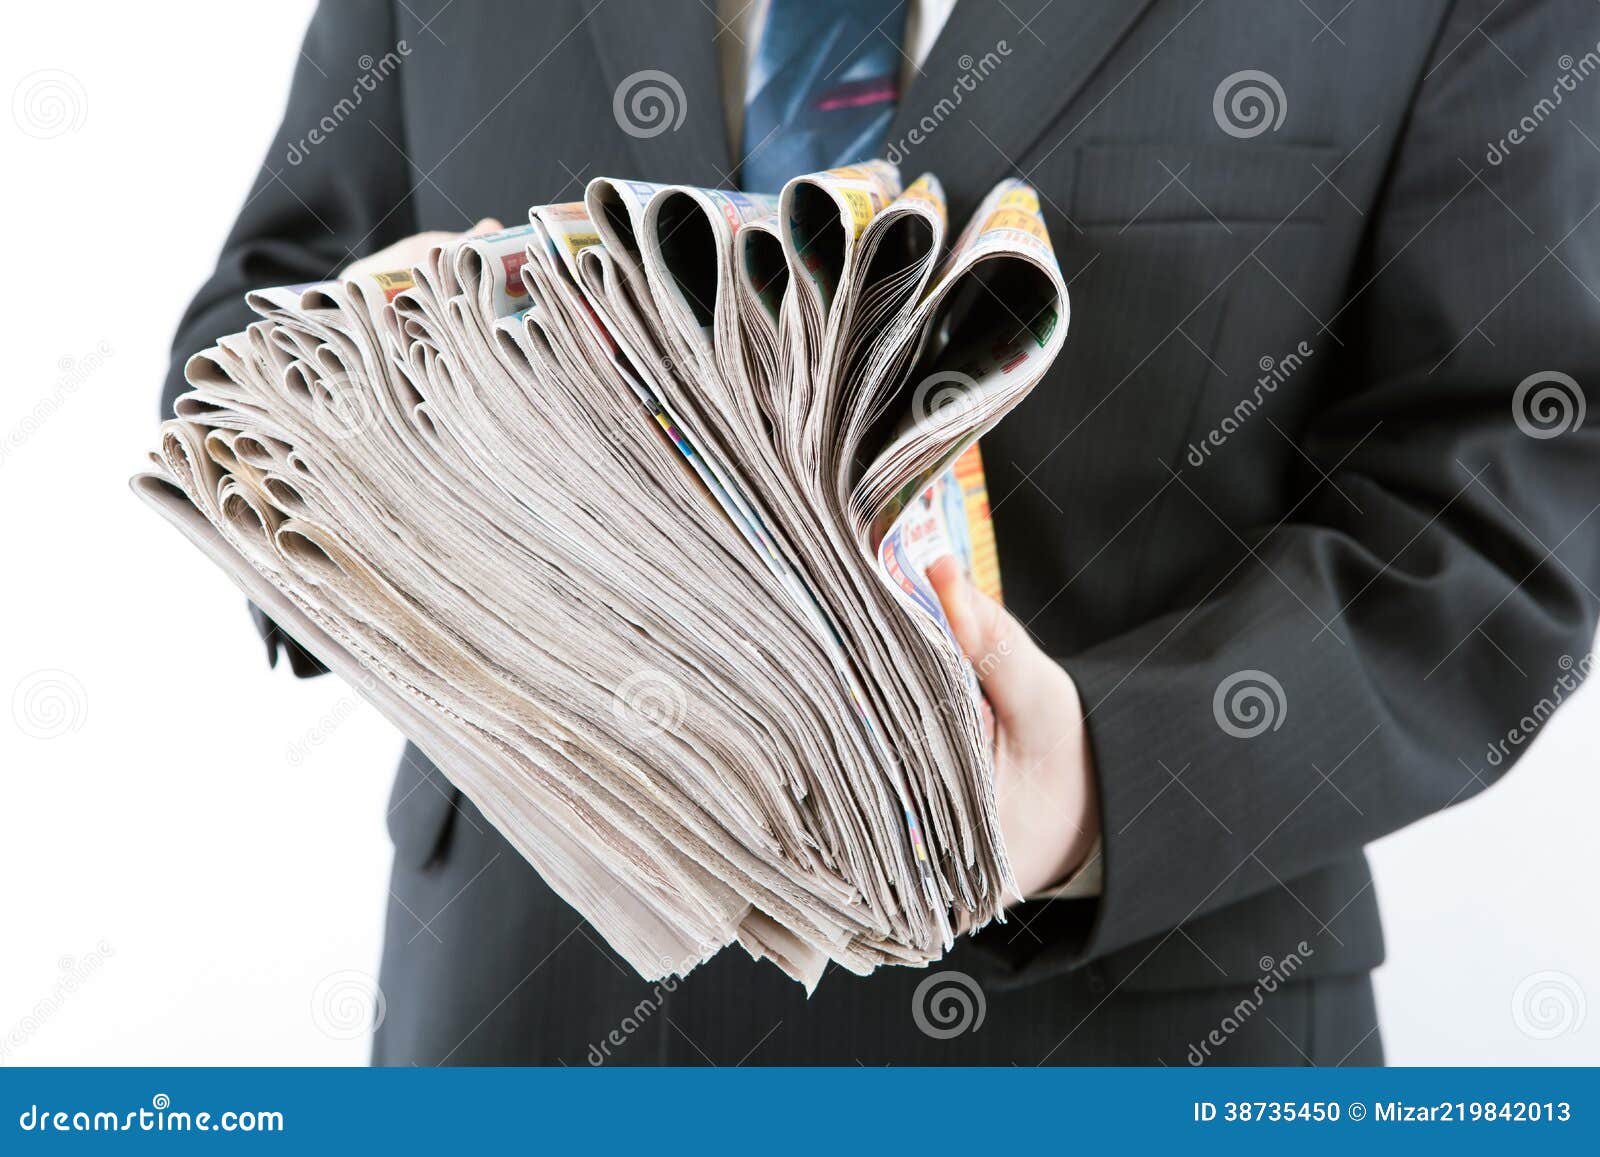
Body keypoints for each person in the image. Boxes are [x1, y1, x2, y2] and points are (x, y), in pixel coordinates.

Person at [162, 0, 1600, 1065]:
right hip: (527, 1008)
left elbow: (1503, 504)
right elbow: (265, 319)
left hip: (1123, 1036)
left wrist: (1104, 779)